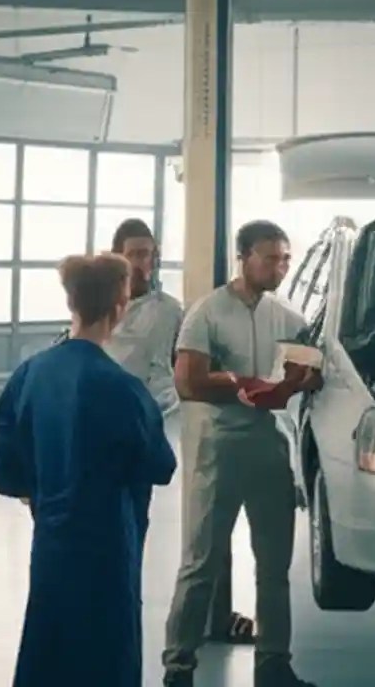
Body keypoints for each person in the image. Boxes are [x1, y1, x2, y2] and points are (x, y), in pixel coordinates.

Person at [0, 253, 177, 687]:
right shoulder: (122, 388)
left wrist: (36, 490)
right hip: (108, 540)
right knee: (107, 648)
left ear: (72, 304)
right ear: (119, 306)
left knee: (48, 642)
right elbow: (161, 464)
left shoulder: (30, 374)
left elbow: (7, 466)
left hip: (51, 536)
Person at [162, 220, 322, 687]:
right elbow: (189, 382)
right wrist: (245, 385)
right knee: (201, 562)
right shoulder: (206, 313)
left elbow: (313, 369)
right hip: (221, 449)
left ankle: (273, 665)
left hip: (270, 450)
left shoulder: (286, 318)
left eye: (286, 258)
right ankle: (179, 668)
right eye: (271, 257)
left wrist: (293, 382)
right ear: (244, 257)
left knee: (274, 565)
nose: (281, 266)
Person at [104, 219, 257, 644]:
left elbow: (190, 365)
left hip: (146, 427)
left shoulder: (170, 311)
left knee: (133, 524)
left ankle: (186, 617)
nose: (144, 262)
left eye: (149, 253)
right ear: (116, 254)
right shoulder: (101, 307)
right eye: (135, 253)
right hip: (97, 429)